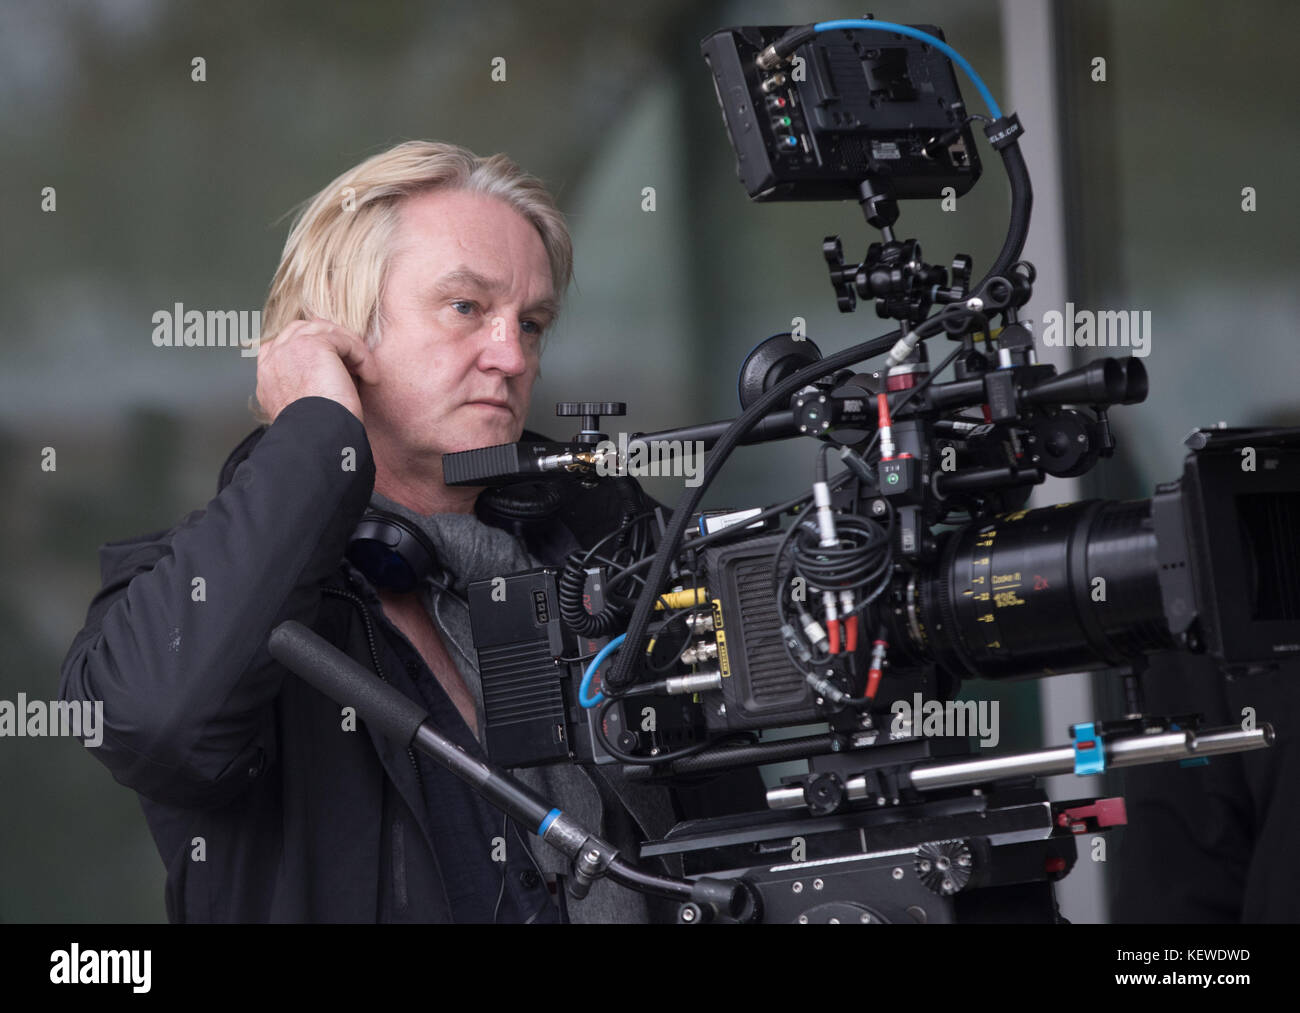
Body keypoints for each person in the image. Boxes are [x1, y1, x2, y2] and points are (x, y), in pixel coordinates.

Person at [59, 140, 759, 923]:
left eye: (530, 323)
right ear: (335, 333)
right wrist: (318, 434)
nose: (510, 355)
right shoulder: (198, 591)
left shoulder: (612, 547)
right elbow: (155, 722)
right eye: (466, 307)